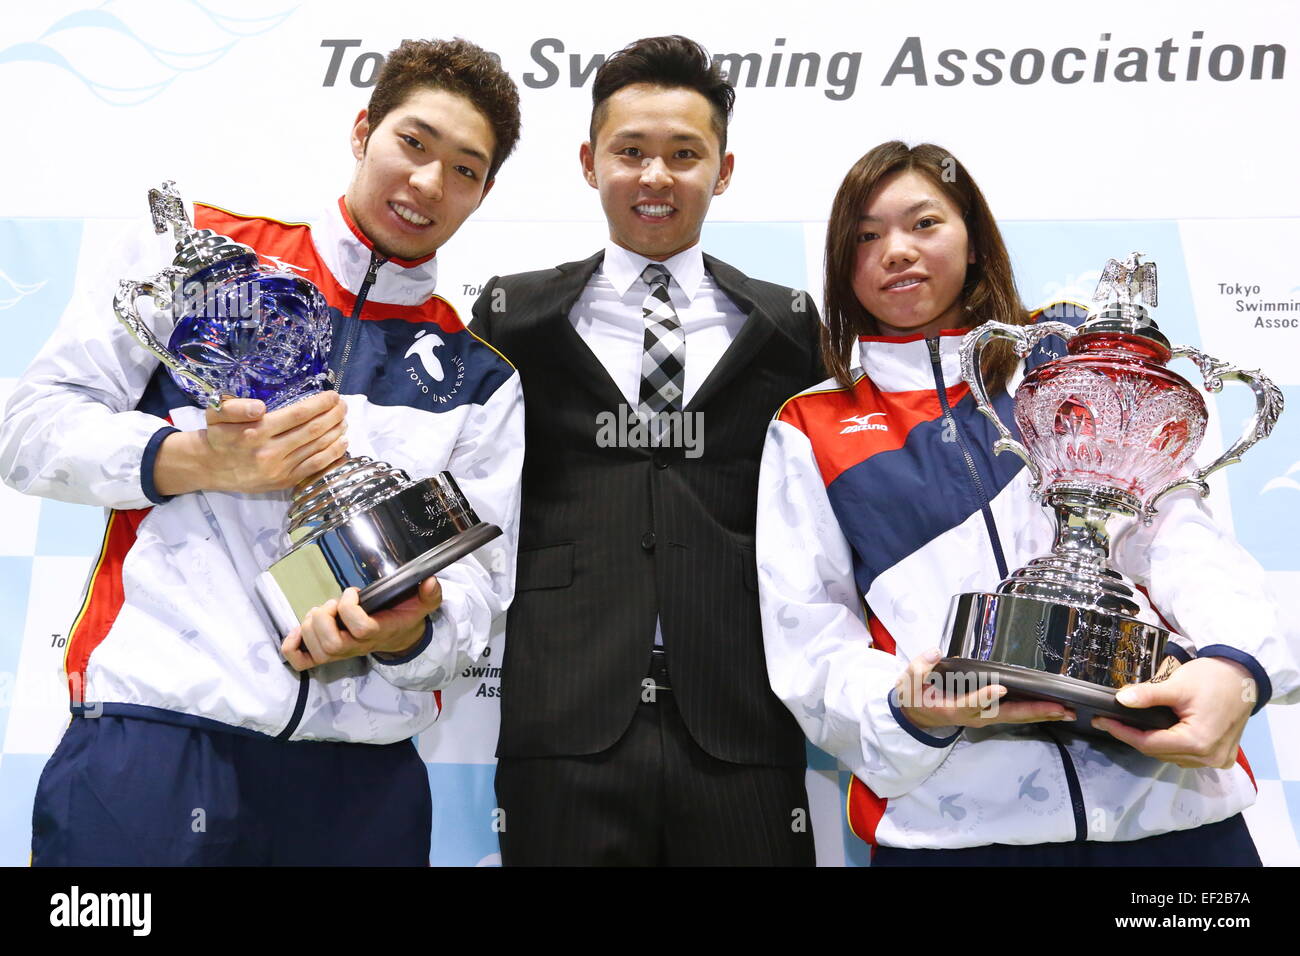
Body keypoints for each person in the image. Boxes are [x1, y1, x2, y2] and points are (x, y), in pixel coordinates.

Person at [0, 38, 524, 866]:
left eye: (464, 169)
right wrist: (199, 459)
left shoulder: (477, 378)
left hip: (359, 784)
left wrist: (400, 633)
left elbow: (472, 601)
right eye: (413, 143)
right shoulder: (206, 257)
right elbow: (28, 431)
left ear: (484, 193)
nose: (428, 183)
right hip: (158, 733)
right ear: (363, 131)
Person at [757, 140, 1298, 865]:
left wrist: (1238, 668)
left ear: (975, 241)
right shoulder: (811, 426)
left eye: (924, 224)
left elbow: (1181, 542)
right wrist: (906, 707)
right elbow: (811, 642)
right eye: (865, 235)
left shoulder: (1071, 373)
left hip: (1172, 818)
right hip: (959, 838)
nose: (895, 251)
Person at [471, 35, 823, 866]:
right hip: (564, 710)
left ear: (723, 170)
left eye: (684, 154)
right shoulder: (509, 318)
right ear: (591, 162)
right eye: (630, 152)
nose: (655, 177)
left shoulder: (793, 328)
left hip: (744, 712)